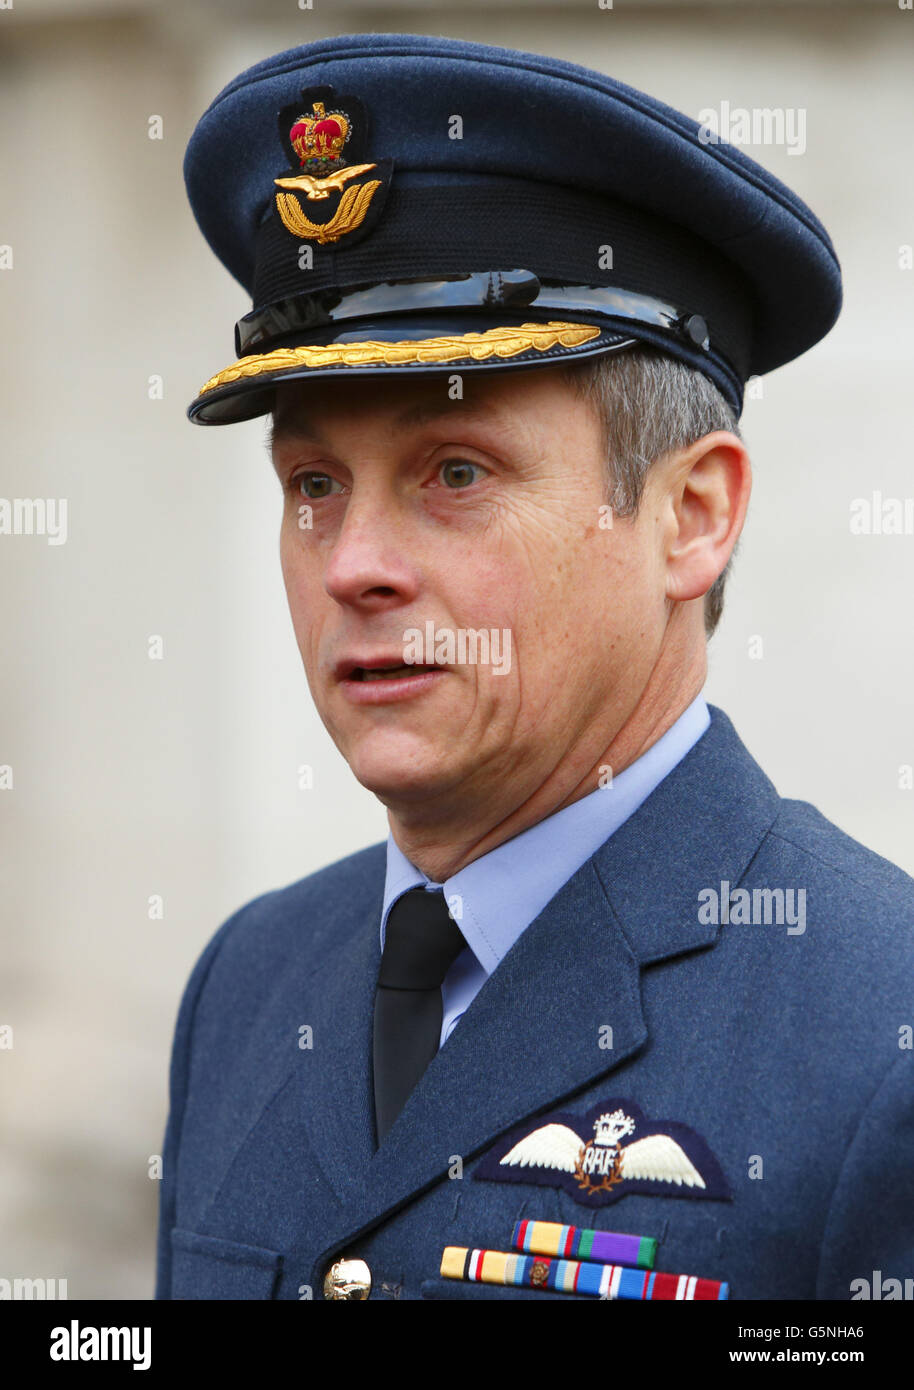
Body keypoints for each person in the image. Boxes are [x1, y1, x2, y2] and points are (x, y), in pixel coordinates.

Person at [156, 32, 913, 1301]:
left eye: (455, 471)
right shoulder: (251, 976)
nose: (353, 565)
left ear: (691, 516)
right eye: (313, 485)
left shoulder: (874, 1026)